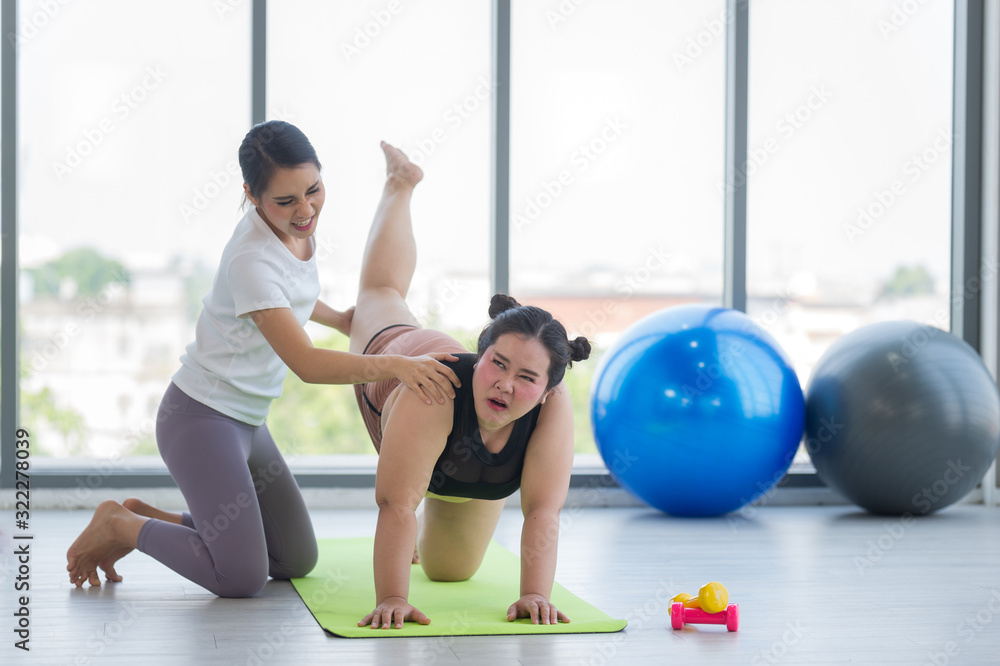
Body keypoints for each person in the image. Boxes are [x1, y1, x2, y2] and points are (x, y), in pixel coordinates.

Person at [65, 121, 461, 597]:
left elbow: (288, 292)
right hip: (201, 419)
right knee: (242, 577)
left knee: (295, 558)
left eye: (313, 190)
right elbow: (308, 366)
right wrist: (397, 366)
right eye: (286, 201)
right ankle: (119, 524)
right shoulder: (249, 258)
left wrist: (338, 318)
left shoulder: (295, 231)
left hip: (249, 423)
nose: (305, 209)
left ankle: (146, 516)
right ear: (252, 196)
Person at [349, 141, 591, 629]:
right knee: (381, 293)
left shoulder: (552, 406)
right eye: (496, 364)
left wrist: (534, 594)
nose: (503, 384)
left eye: (525, 377)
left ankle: (338, 318)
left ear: (547, 391)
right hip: (395, 349)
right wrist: (393, 596)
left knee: (450, 573)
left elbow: (543, 512)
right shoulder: (435, 388)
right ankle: (400, 184)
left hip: (458, 461)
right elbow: (395, 505)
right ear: (480, 355)